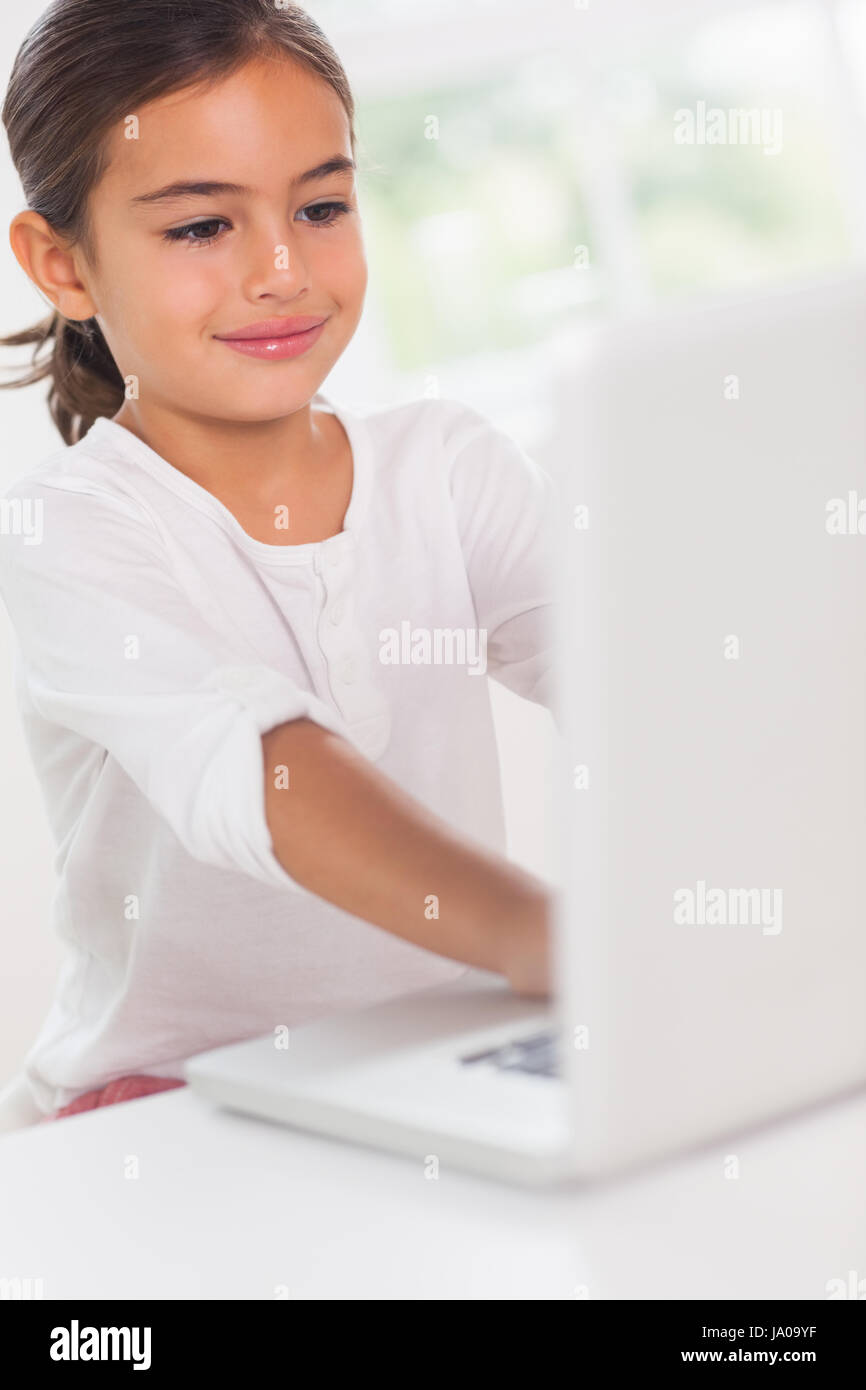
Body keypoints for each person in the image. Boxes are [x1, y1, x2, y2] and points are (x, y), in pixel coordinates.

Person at [0, 0, 557, 1125]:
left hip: (444, 1067)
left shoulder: (445, 468)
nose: (281, 268)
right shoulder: (67, 531)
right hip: (162, 1106)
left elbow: (637, 676)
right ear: (61, 264)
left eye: (320, 205)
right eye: (202, 227)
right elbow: (265, 770)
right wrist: (548, 937)